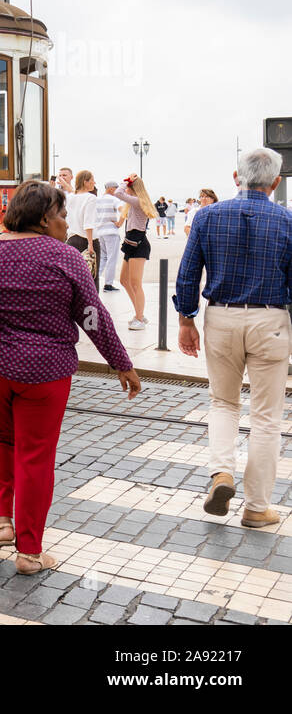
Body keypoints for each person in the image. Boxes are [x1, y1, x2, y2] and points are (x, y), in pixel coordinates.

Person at [0, 180, 140, 575]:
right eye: (63, 215)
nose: (67, 224)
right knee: (36, 455)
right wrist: (121, 363)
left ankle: (1, 521)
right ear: (45, 218)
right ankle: (30, 553)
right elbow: (92, 317)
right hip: (44, 372)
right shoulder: (65, 258)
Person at [175, 148, 292, 528]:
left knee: (223, 403)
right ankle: (257, 508)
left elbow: (189, 272)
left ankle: (221, 474)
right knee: (266, 418)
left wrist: (185, 320)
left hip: (221, 317)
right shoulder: (287, 221)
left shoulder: (207, 216)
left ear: (235, 177)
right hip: (270, 319)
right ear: (275, 183)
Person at [113, 174, 158, 330]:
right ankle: (140, 313)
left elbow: (117, 193)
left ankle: (139, 318)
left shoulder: (138, 202)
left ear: (132, 188)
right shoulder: (134, 204)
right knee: (124, 280)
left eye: (129, 187)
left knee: (135, 283)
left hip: (138, 243)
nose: (126, 189)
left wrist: (124, 181)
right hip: (131, 242)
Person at [64, 170, 99, 279]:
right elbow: (88, 222)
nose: (94, 183)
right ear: (85, 182)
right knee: (91, 277)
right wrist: (90, 244)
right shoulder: (90, 198)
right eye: (92, 180)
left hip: (71, 240)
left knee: (74, 277)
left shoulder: (70, 197)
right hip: (86, 240)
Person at [92, 180, 124, 291]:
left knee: (102, 258)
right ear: (110, 188)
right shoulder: (114, 199)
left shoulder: (97, 200)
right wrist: (120, 223)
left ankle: (93, 281)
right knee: (112, 259)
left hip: (99, 232)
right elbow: (124, 210)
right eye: (116, 188)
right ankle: (108, 284)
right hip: (111, 232)